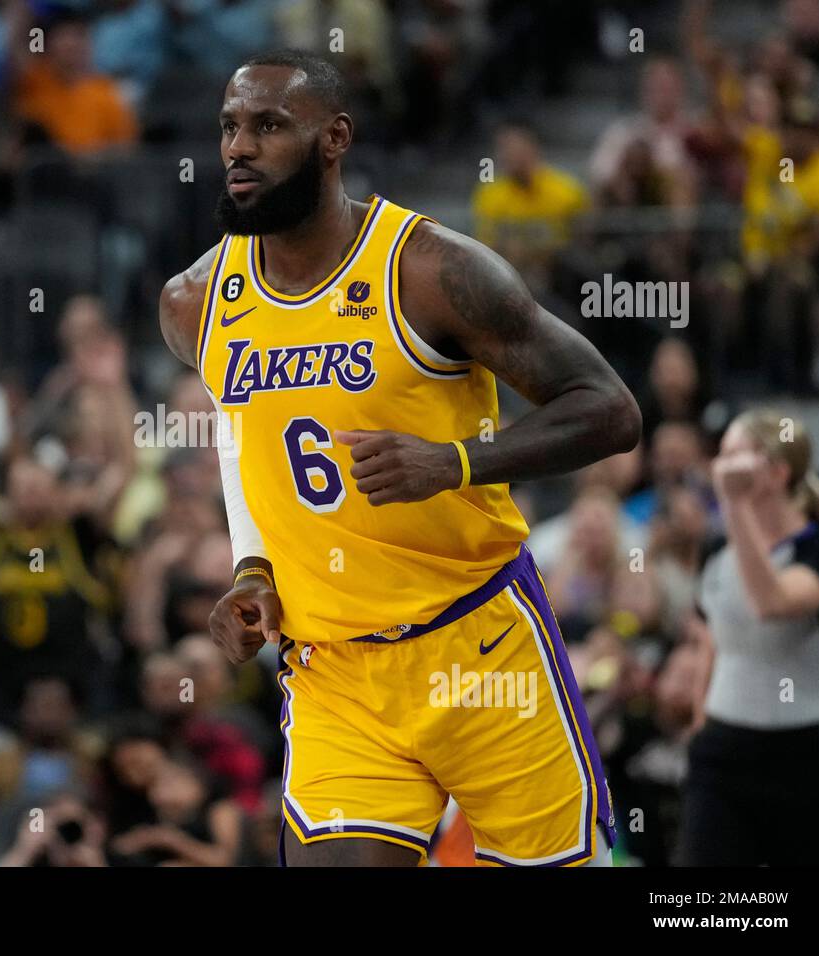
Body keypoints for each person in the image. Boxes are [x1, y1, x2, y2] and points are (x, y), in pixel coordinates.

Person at [159, 50, 641, 867]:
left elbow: (610, 410)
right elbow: (245, 435)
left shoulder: (430, 271)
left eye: (269, 126)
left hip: (479, 644)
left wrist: (454, 462)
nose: (239, 147)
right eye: (230, 127)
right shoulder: (195, 301)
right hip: (334, 671)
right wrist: (251, 569)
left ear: (334, 139)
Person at [679, 409, 819, 865]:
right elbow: (712, 634)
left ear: (776, 472)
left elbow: (772, 603)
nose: (720, 468)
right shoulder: (716, 545)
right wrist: (699, 713)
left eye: (735, 456)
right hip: (723, 750)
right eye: (720, 455)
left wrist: (735, 508)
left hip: (804, 755)